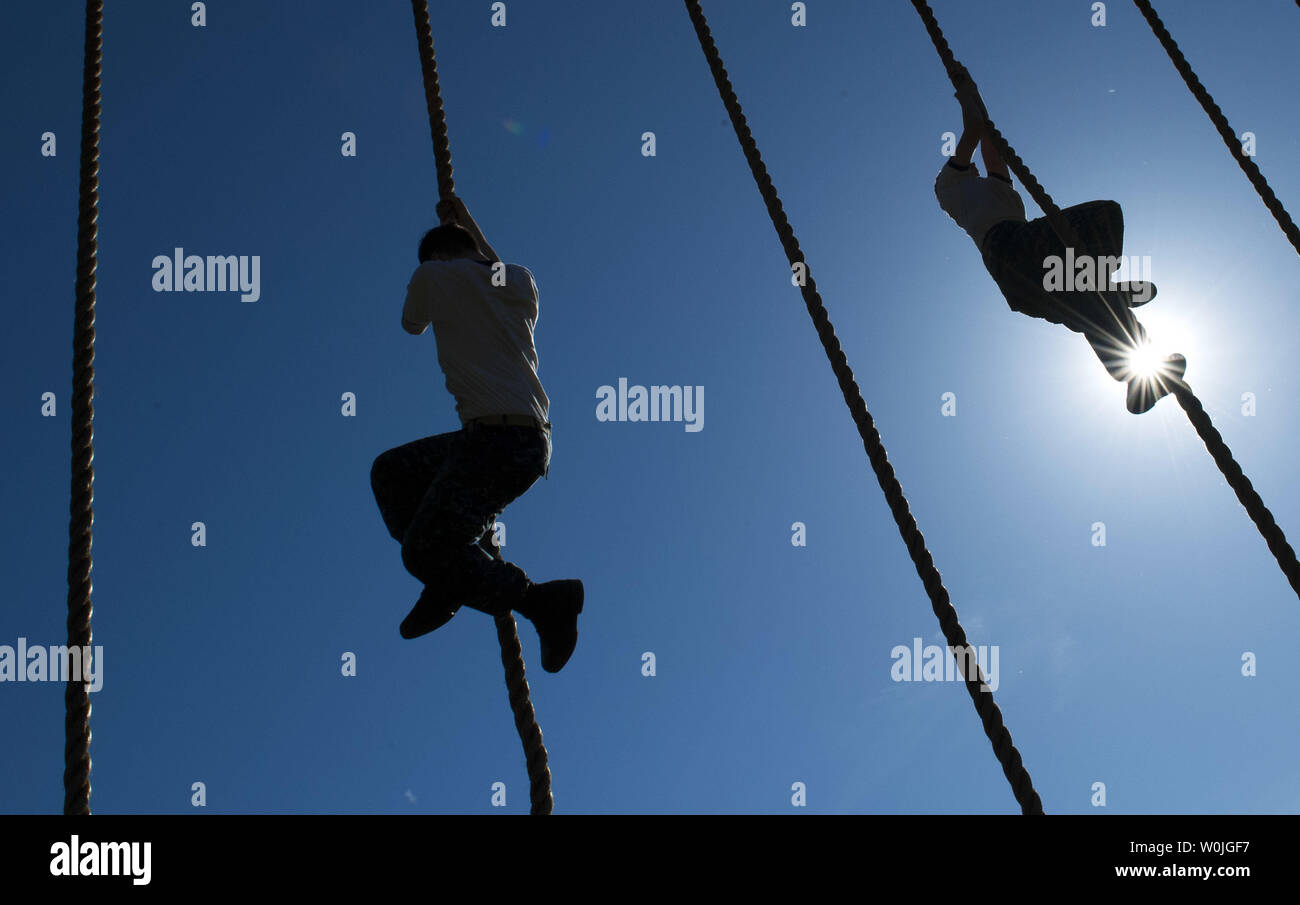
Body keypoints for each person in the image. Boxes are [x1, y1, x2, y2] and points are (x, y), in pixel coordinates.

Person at [370, 195, 584, 673]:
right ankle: (451, 572)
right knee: (392, 472)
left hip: (498, 444)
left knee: (421, 548)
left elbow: (411, 325)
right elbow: (491, 263)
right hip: (518, 440)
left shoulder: (432, 275)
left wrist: (438, 267)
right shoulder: (519, 283)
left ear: (436, 256)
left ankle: (542, 601)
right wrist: (465, 222)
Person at [934, 66, 1185, 414]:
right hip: (1013, 249)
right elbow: (975, 130)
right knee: (1105, 216)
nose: (972, 164)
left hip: (1024, 282)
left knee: (1089, 305)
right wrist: (965, 90)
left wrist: (975, 96)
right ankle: (1110, 291)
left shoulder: (996, 188)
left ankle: (1136, 376)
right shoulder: (948, 188)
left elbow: (988, 139)